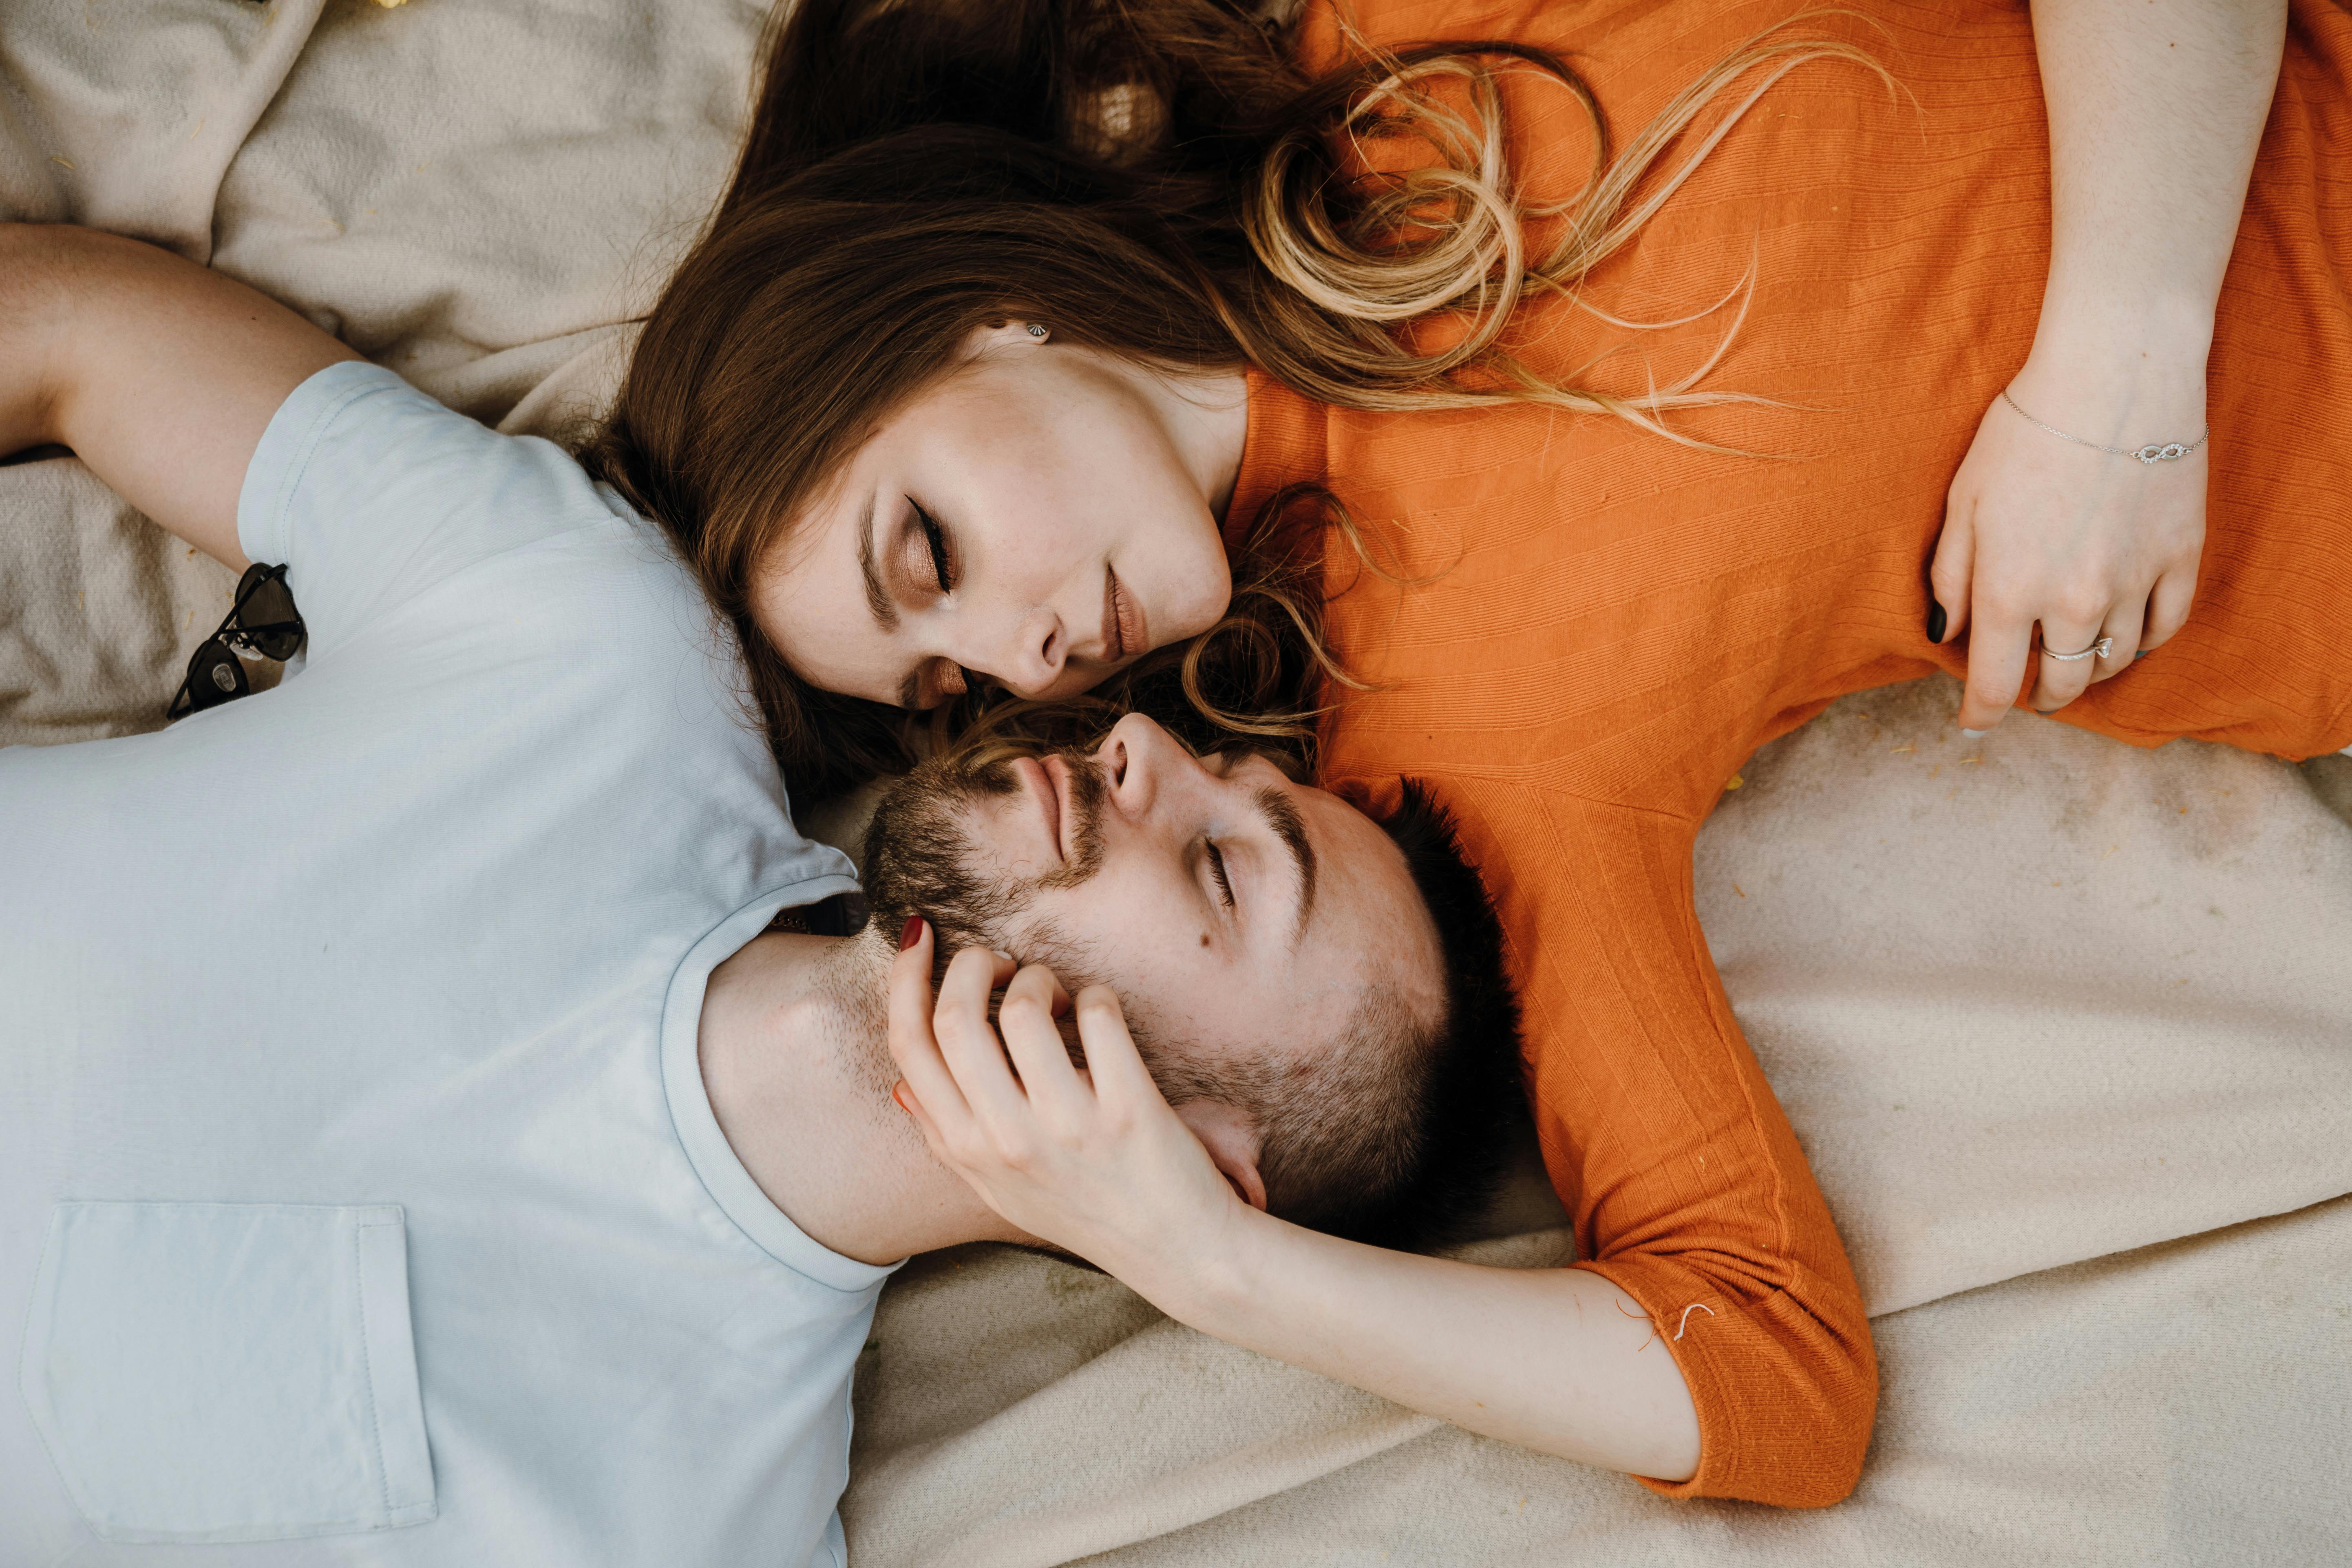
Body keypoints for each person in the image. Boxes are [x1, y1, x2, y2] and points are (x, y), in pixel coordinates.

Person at [616, 0, 2350, 1510]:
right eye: (950, 683)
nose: (1025, 655)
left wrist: (2123, 371)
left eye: (930, 552)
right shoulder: (1453, 752)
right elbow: (1767, 1382)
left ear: (978, 310)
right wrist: (1211, 1261)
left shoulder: (1407, 56)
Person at [0, 223, 1524, 1565]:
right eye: (1209, 768)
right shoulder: (602, 653)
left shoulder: (691, 1526)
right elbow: (70, 323)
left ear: (1197, 1167)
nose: (1136, 739)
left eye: (1219, 868)